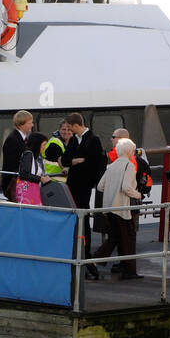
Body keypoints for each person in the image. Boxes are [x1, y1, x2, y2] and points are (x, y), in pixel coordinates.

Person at [93, 138, 144, 280]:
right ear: (129, 151)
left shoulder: (112, 166)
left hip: (109, 208)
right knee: (128, 239)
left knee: (115, 237)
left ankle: (94, 261)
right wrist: (138, 194)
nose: (134, 153)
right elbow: (126, 187)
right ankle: (129, 271)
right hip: (122, 208)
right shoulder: (129, 166)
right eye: (133, 151)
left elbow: (100, 186)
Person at [63, 112, 107, 270]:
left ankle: (85, 251)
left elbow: (95, 163)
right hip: (73, 184)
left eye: (70, 127)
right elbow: (66, 159)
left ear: (76, 125)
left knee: (84, 216)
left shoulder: (93, 140)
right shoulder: (74, 140)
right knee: (74, 215)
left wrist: (77, 163)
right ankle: (75, 248)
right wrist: (75, 161)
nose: (68, 130)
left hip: (84, 185)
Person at [0, 110, 31, 202]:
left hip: (21, 182)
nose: (32, 125)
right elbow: (11, 164)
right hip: (13, 184)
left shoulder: (23, 138)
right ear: (21, 124)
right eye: (29, 123)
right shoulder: (12, 139)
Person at [14, 130, 52, 206]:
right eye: (44, 145)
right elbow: (24, 174)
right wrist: (40, 178)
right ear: (37, 144)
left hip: (34, 190)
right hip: (28, 191)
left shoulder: (37, 157)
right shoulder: (28, 154)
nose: (45, 147)